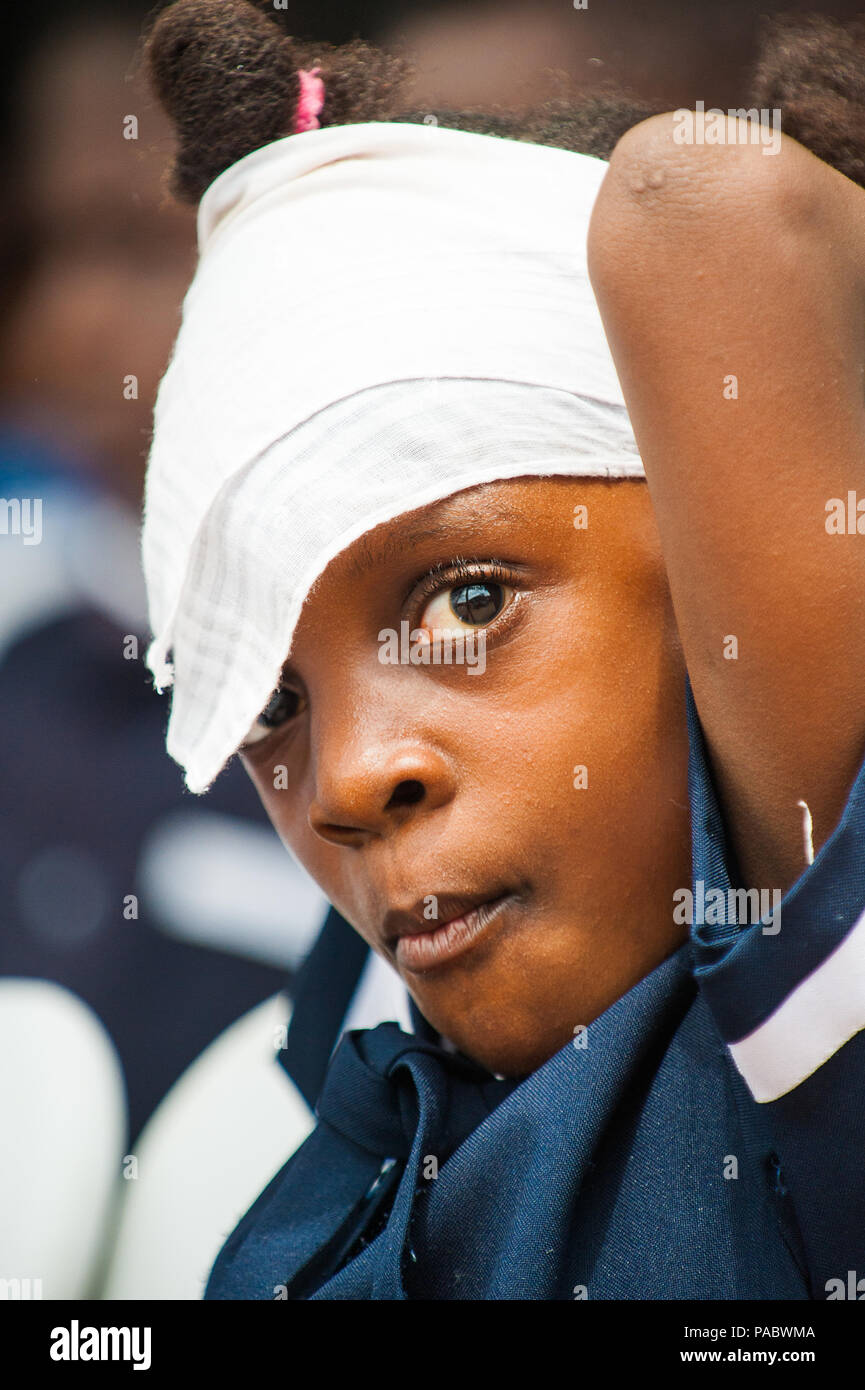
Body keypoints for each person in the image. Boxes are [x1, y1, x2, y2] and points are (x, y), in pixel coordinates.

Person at [139, 0, 865, 1299]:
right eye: (265, 700)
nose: (350, 781)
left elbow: (702, 209)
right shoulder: (347, 1087)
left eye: (468, 602)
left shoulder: (808, 1040)